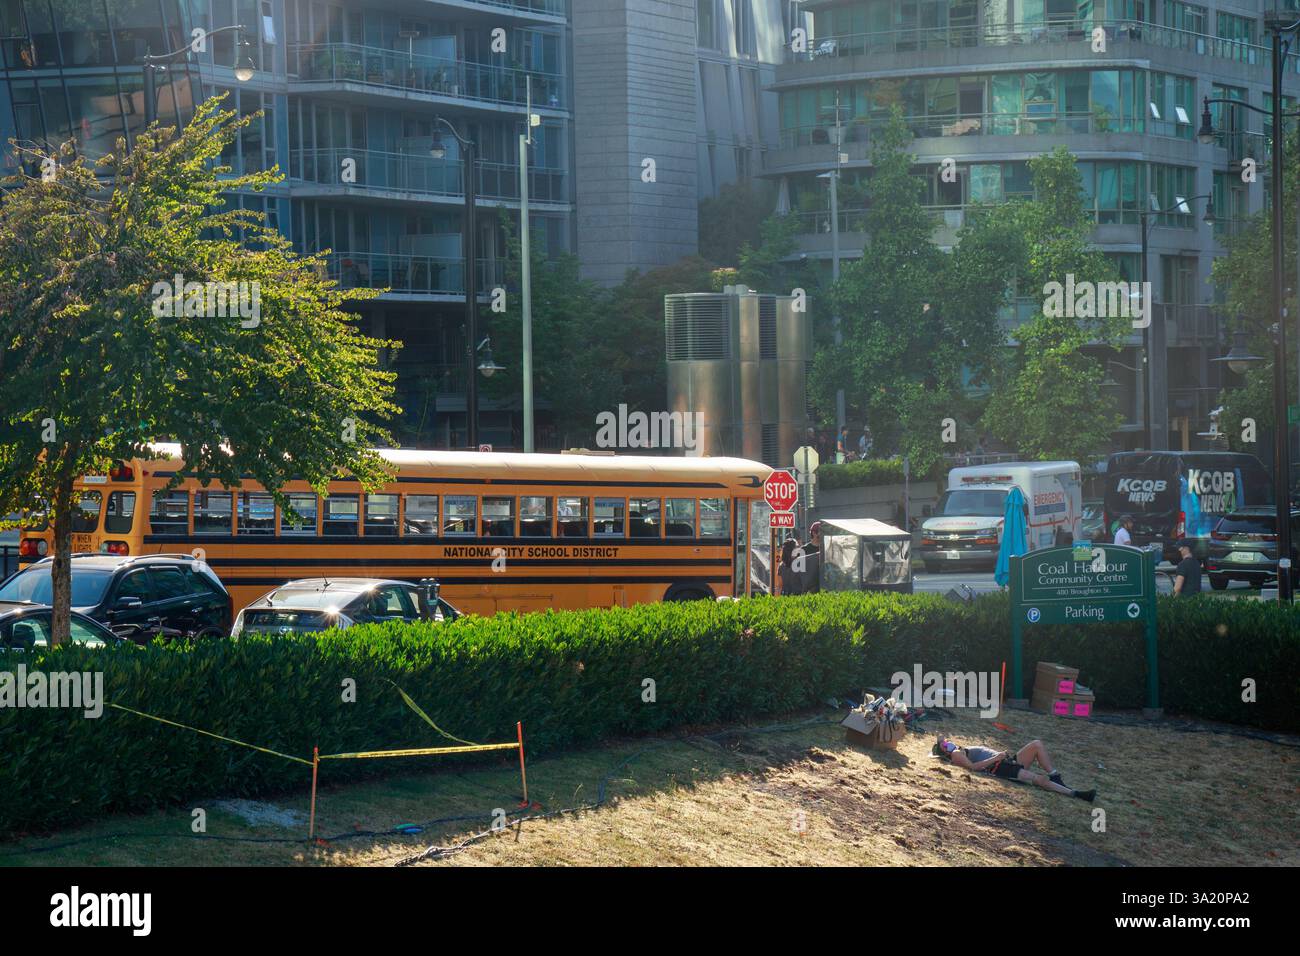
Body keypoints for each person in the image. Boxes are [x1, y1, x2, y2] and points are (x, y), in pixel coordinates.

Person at [933, 733, 1096, 802]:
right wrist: (996, 757)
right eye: (945, 744)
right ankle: (1076, 794)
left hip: (1006, 761)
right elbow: (973, 768)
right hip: (999, 766)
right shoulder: (956, 755)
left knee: (1036, 745)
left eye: (947, 740)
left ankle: (1055, 776)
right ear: (945, 752)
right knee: (1038, 779)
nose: (948, 742)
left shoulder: (958, 750)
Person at [799, 521, 823, 594]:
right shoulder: (804, 550)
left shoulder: (825, 548)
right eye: (821, 532)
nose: (823, 535)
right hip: (809, 588)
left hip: (823, 585)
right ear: (814, 533)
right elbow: (800, 571)